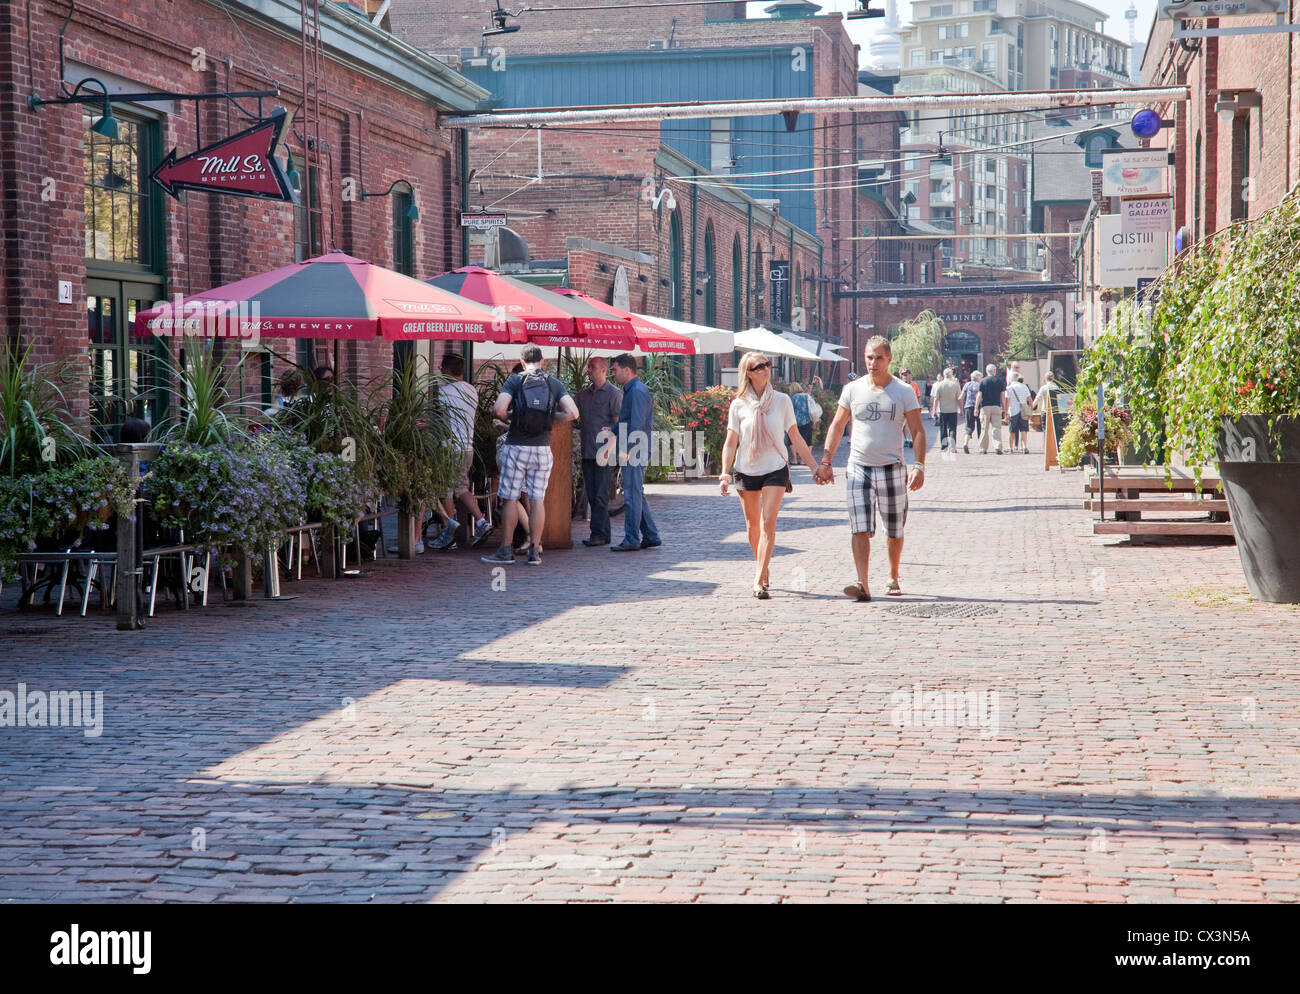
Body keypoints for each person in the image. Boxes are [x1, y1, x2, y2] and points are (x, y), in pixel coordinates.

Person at [815, 336, 925, 601]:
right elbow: (838, 425)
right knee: (859, 527)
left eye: (878, 358)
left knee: (894, 528)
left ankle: (893, 576)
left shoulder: (904, 391)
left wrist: (919, 465)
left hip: (892, 466)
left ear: (889, 360)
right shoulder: (853, 389)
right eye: (868, 357)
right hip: (858, 467)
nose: (872, 363)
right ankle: (862, 583)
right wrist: (827, 461)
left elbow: (918, 430)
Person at [718, 353, 826, 599]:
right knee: (752, 526)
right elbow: (731, 441)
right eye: (758, 367)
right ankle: (763, 566)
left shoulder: (782, 401)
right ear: (748, 372)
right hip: (746, 468)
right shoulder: (738, 404)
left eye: (767, 365)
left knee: (768, 522)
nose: (765, 370)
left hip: (775, 468)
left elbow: (795, 436)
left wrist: (813, 467)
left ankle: (757, 579)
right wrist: (725, 473)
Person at [480, 345, 578, 566]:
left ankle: (505, 551)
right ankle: (535, 551)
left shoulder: (515, 381)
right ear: (542, 361)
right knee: (537, 499)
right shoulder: (553, 383)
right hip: (543, 449)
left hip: (516, 447)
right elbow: (573, 413)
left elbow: (498, 409)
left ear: (522, 362)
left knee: (511, 498)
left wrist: (514, 416)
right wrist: (551, 418)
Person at [428, 352, 492, 550]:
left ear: (447, 370)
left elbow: (442, 424)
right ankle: (481, 522)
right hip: (467, 447)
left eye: (441, 369)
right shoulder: (472, 390)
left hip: (450, 448)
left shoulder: (444, 393)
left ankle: (449, 534)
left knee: (445, 490)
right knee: (461, 486)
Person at [608, 354, 662, 552]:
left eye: (614, 370)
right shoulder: (633, 390)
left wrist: (627, 449)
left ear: (626, 370)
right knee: (637, 493)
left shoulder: (637, 391)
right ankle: (651, 535)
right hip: (636, 448)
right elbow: (629, 420)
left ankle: (632, 538)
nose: (612, 374)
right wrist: (613, 430)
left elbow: (637, 424)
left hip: (635, 449)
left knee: (631, 494)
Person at [576, 355, 622, 547]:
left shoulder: (614, 394)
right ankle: (603, 534)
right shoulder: (583, 395)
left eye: (592, 367)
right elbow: (570, 410)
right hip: (587, 451)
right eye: (588, 367)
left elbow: (619, 425)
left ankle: (599, 534)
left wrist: (608, 449)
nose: (588, 370)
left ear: (603, 369)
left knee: (601, 495)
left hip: (604, 452)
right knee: (592, 494)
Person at [975, 363, 1007, 455]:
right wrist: (1004, 408)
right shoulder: (999, 381)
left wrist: (976, 407)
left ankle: (983, 448)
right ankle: (998, 447)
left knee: (984, 428)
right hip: (996, 406)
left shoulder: (983, 381)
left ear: (986, 371)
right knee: (996, 428)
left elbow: (979, 395)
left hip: (985, 406)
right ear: (994, 371)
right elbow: (1003, 396)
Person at [930, 367, 962, 454]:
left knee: (943, 429)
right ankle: (952, 446)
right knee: (952, 428)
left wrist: (934, 410)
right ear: (951, 375)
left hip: (942, 410)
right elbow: (959, 399)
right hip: (953, 410)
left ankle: (944, 447)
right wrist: (961, 410)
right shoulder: (955, 385)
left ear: (944, 375)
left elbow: (936, 399)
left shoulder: (940, 385)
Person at [787, 381, 823, 452]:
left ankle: (794, 459)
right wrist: (814, 422)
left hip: (795, 422)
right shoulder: (808, 396)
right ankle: (803, 460)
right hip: (807, 421)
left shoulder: (793, 397)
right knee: (807, 441)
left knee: (792, 440)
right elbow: (813, 410)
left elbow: (790, 410)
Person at [1005, 371, 1033, 454]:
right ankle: (1024, 447)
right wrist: (1031, 408)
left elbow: (1007, 401)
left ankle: (1010, 448)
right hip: (1023, 411)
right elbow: (1029, 399)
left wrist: (1006, 412)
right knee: (1024, 429)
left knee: (1012, 430)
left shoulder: (1009, 388)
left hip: (1013, 411)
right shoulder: (1024, 386)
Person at [898, 368, 921, 448]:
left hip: (911, 407)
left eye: (906, 374)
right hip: (901, 407)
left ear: (909, 375)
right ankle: (906, 439)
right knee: (903, 425)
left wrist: (918, 407)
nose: (905, 376)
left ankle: (910, 439)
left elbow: (918, 396)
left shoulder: (914, 385)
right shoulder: (899, 384)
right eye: (903, 375)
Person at [960, 370, 982, 454]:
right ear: (978, 378)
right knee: (980, 427)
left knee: (969, 426)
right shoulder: (980, 385)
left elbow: (961, 397)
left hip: (968, 406)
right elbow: (979, 396)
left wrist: (961, 408)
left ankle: (965, 443)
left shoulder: (967, 384)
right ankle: (981, 446)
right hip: (978, 407)